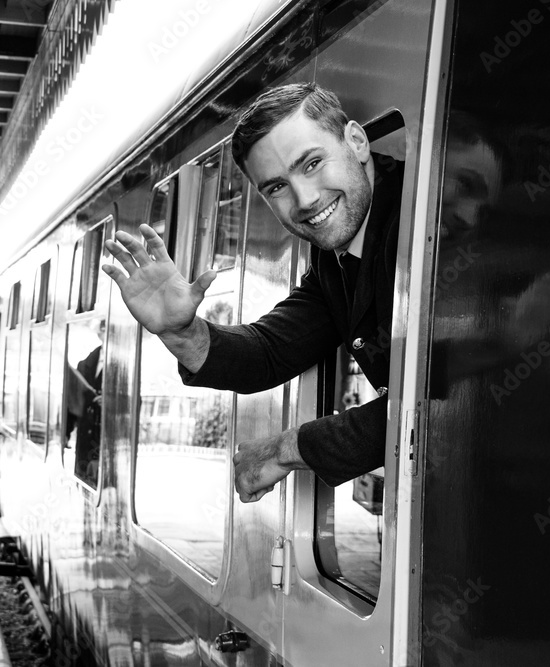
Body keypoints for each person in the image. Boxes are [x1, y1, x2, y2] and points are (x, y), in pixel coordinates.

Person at [104, 82, 403, 502]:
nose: (306, 199)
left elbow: (440, 403)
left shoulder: (433, 223)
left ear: (356, 141)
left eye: (312, 163)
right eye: (277, 187)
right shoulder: (335, 259)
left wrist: (288, 448)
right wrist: (181, 332)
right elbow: (270, 351)